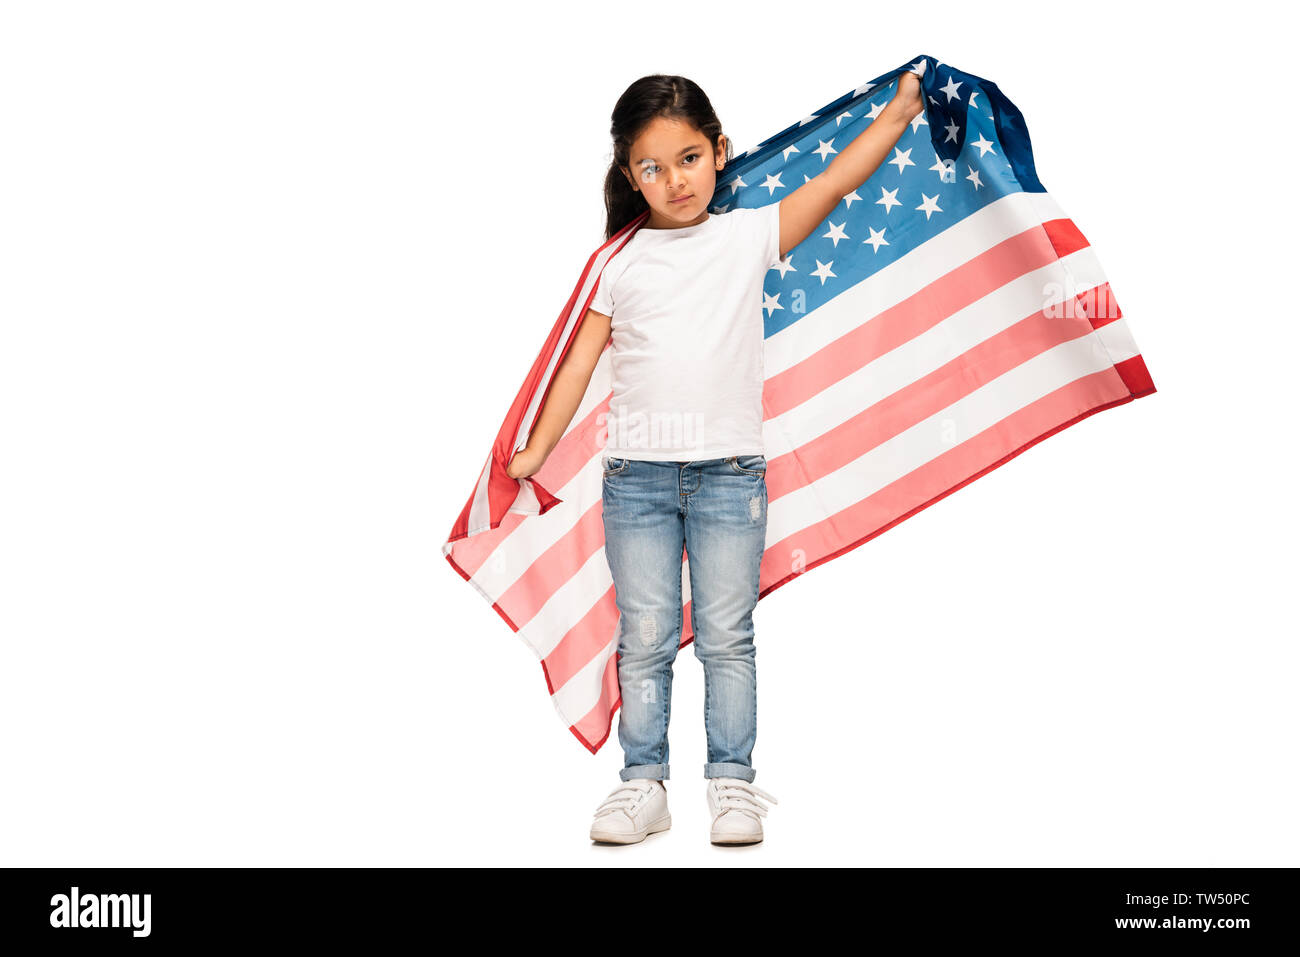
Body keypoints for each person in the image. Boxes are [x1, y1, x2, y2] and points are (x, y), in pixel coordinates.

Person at [507, 69, 923, 845]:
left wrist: (898, 113)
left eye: (690, 158)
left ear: (720, 151)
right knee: (647, 633)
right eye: (653, 168)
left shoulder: (746, 235)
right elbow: (576, 365)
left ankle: (732, 784)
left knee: (728, 632)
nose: (674, 180)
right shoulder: (616, 263)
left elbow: (834, 182)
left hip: (730, 475)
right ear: (629, 176)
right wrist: (537, 448)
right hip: (636, 480)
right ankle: (643, 783)